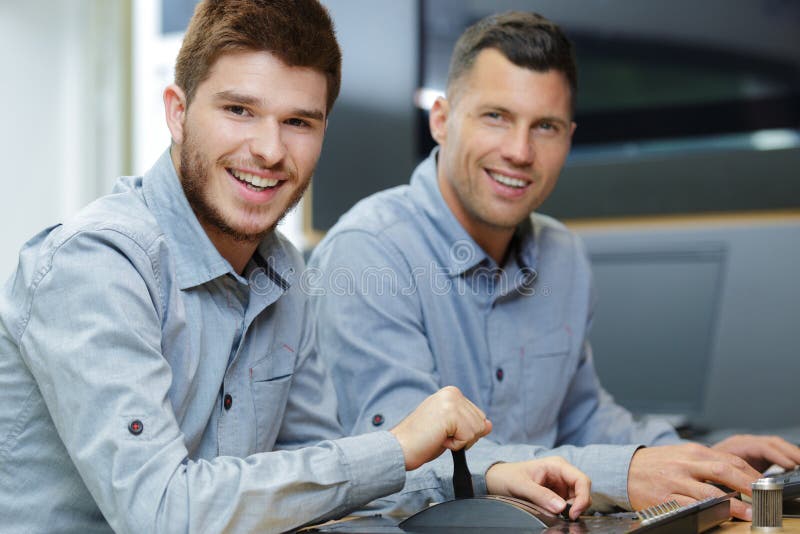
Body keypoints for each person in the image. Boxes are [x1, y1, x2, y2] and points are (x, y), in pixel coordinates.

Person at [0, 2, 593, 533]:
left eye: (298, 121)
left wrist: (484, 477)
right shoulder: (95, 264)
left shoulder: (284, 271)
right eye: (239, 110)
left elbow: (328, 475)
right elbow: (163, 513)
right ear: (177, 112)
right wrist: (395, 447)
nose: (269, 149)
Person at [308, 10, 800, 520]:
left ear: (569, 137)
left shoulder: (563, 255)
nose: (519, 152)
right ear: (442, 120)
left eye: (545, 126)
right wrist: (623, 473)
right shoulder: (368, 252)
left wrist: (693, 458)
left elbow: (583, 417)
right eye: (496, 116)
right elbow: (404, 469)